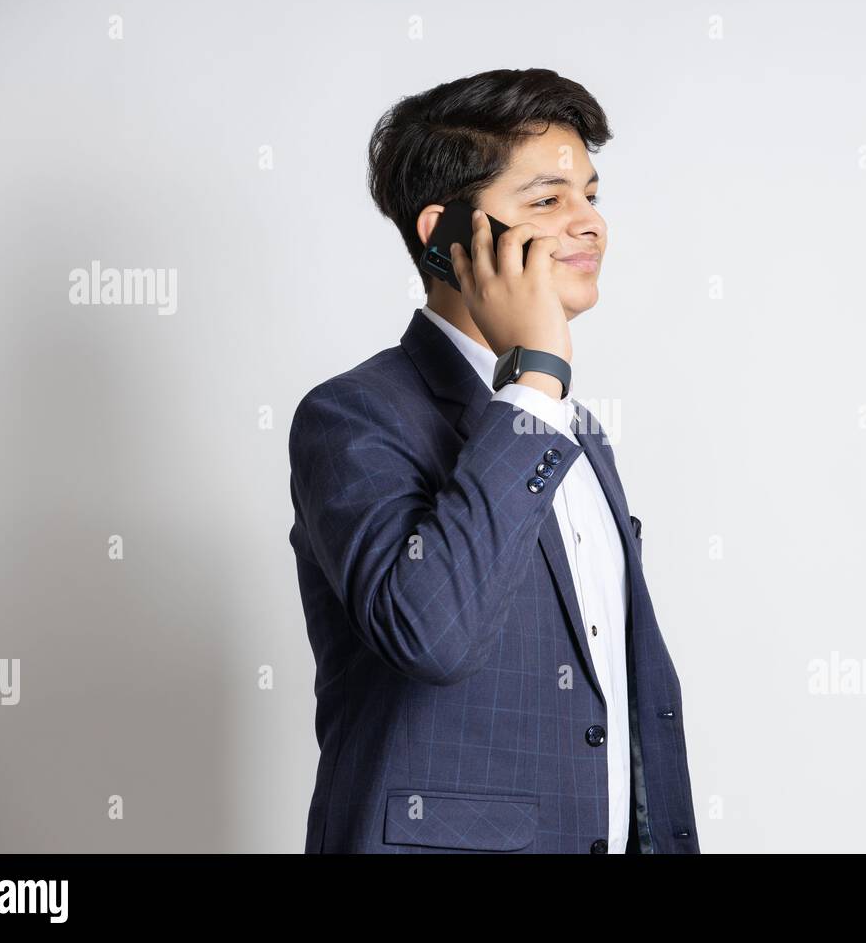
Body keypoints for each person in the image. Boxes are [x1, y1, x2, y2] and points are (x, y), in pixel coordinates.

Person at [287, 68, 698, 853]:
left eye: (591, 196)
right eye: (547, 200)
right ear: (445, 235)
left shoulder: (577, 431)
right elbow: (432, 635)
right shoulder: (352, 416)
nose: (590, 225)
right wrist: (536, 380)